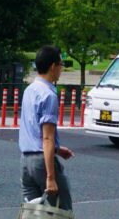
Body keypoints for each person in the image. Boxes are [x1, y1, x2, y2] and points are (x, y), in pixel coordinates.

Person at [19, 46, 75, 211]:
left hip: (25, 162)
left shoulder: (29, 90)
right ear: (53, 66)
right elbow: (47, 137)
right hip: (42, 162)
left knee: (35, 213)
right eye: (61, 64)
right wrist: (51, 177)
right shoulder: (48, 95)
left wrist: (57, 149)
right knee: (62, 211)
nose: (61, 69)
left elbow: (32, 129)